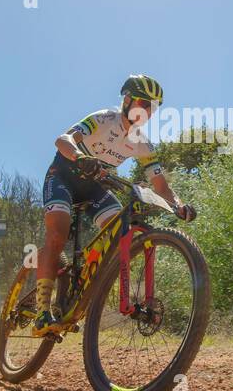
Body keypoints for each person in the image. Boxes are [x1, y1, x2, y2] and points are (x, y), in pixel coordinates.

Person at [35, 75, 196, 331]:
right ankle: (42, 310)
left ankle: (82, 287)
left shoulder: (142, 143)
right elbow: (62, 140)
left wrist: (178, 204)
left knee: (119, 232)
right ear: (128, 99)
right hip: (63, 177)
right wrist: (79, 156)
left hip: (93, 188)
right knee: (57, 235)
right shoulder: (103, 119)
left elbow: (160, 184)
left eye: (152, 108)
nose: (146, 111)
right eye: (143, 103)